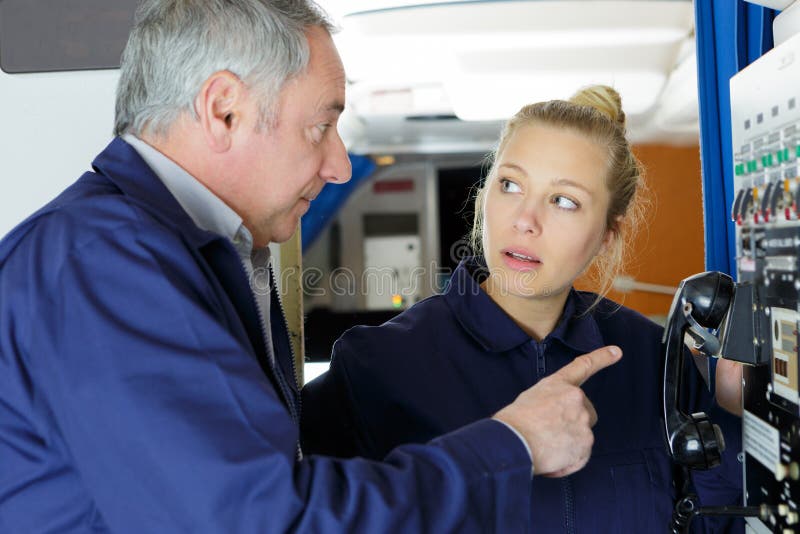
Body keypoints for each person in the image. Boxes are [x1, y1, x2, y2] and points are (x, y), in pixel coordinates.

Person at [0, 2, 625, 532]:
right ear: (223, 110)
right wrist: (511, 445)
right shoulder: (105, 266)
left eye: (566, 201)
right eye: (321, 126)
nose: (340, 165)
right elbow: (265, 518)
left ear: (608, 232)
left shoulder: (191, 257)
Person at [301, 86, 745, 532]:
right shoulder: (374, 366)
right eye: (510, 185)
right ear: (484, 195)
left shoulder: (653, 358)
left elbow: (712, 521)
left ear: (607, 236)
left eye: (564, 200)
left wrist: (727, 406)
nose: (525, 220)